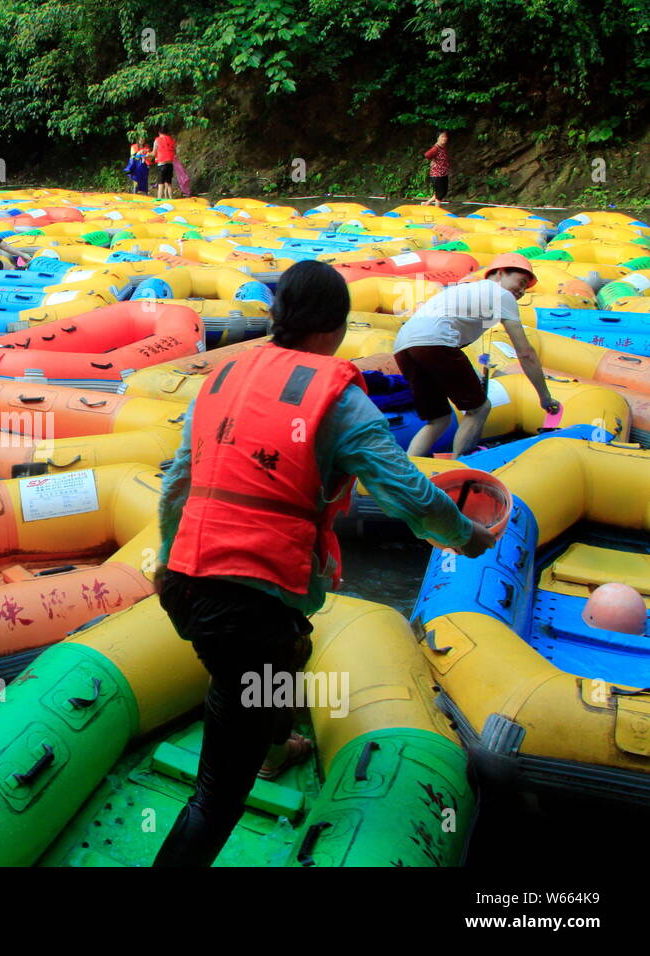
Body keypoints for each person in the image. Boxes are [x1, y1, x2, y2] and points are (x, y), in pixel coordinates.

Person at [151, 260, 497, 868]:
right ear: (336, 328)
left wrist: (165, 564)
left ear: (277, 316)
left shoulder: (224, 374)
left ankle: (271, 741)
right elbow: (408, 493)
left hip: (187, 581)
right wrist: (468, 537)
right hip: (246, 599)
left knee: (285, 652)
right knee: (218, 792)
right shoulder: (337, 398)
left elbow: (178, 480)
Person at [393, 253, 558, 459]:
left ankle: (409, 468)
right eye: (521, 282)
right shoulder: (502, 296)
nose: (522, 291)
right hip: (436, 342)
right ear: (500, 273)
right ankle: (458, 466)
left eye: (526, 288)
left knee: (439, 418)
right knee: (479, 409)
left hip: (403, 346)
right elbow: (525, 353)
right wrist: (544, 397)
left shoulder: (463, 289)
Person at [421, 131, 450, 207]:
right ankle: (437, 209)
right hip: (437, 174)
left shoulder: (443, 147)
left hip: (444, 173)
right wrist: (433, 161)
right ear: (438, 138)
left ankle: (426, 203)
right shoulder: (435, 148)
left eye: (445, 137)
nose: (444, 138)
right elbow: (427, 155)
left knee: (443, 192)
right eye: (442, 137)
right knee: (439, 193)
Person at [152, 128, 177, 200]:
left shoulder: (157, 140)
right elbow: (174, 152)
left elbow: (153, 153)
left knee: (160, 183)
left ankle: (159, 199)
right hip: (170, 164)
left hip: (161, 164)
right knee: (169, 183)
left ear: (159, 133)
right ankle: (171, 198)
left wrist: (147, 154)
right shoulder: (171, 140)